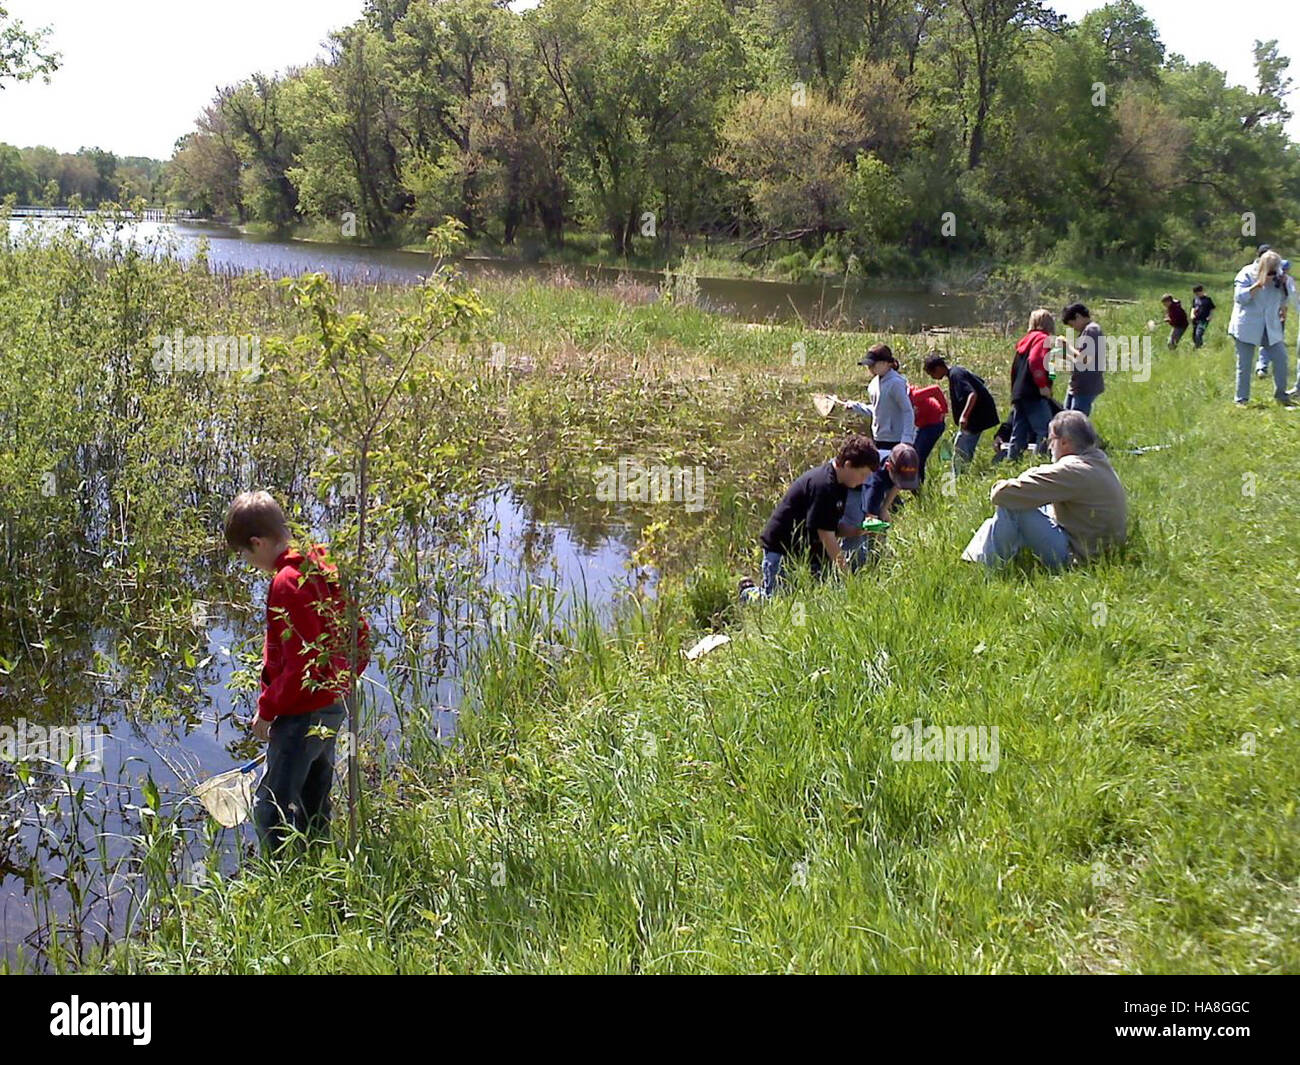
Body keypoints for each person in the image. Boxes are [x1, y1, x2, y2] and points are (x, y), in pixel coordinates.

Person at [224, 490, 370, 852]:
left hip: (300, 713)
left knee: (270, 810)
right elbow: (360, 633)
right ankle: (320, 872)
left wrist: (267, 711)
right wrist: (343, 681)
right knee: (314, 802)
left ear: (257, 543)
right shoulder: (323, 562)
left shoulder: (286, 582)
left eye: (244, 553)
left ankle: (279, 887)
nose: (246, 560)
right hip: (334, 704)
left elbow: (298, 664)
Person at [961, 411, 1127, 570]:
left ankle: (989, 568)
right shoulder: (1097, 460)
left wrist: (1022, 478)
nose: (1049, 447)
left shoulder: (1071, 470)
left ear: (1064, 442)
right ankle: (975, 559)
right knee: (1028, 501)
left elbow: (1001, 494)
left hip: (1079, 557)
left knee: (1012, 505)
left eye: (1050, 440)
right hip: (1098, 548)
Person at [741, 435, 879, 599]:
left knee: (804, 605)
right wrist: (847, 577)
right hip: (783, 550)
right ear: (848, 465)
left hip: (806, 553)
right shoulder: (823, 486)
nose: (864, 480)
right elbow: (827, 536)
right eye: (863, 474)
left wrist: (857, 530)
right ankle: (747, 593)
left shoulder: (841, 484)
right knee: (778, 604)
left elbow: (831, 527)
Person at [1229, 250, 1293, 406]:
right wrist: (1258, 284)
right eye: (1270, 270)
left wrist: (1285, 284)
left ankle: (1281, 396)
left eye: (1275, 269)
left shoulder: (1279, 275)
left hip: (1270, 325)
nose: (1272, 273)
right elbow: (1239, 298)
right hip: (1247, 325)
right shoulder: (1246, 273)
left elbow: (1286, 298)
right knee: (1245, 363)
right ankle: (1241, 400)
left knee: (1281, 359)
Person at [996, 308, 1056, 463]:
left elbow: (1015, 370)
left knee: (1019, 432)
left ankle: (1011, 462)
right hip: (1033, 393)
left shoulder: (1025, 341)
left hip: (1019, 393)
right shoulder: (1043, 339)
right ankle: (1041, 463)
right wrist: (1043, 385)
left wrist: (1015, 393)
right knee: (1046, 429)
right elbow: (1036, 361)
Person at [924, 353, 1000, 469]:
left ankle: (959, 478)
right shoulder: (957, 371)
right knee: (962, 448)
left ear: (938, 368)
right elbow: (979, 382)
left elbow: (972, 394)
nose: (932, 377)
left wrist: (964, 416)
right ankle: (962, 474)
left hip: (975, 419)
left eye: (932, 373)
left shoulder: (956, 375)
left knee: (960, 453)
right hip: (977, 417)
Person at [839, 343, 916, 452]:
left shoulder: (896, 383)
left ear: (886, 363)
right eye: (869, 365)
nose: (870, 368)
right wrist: (856, 407)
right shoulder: (873, 384)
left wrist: (907, 439)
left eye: (873, 365)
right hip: (878, 437)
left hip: (897, 440)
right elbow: (876, 409)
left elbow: (907, 411)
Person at [1059, 303, 1105, 416]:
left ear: (1078, 316)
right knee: (1066, 419)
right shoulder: (1087, 331)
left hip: (1086, 386)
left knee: (1075, 423)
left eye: (1072, 324)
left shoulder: (1092, 330)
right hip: (1077, 385)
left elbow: (1084, 359)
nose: (1073, 328)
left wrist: (1067, 347)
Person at [862, 443, 921, 525]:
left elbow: (897, 485)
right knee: (858, 529)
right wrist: (878, 531)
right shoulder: (876, 484)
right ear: (888, 467)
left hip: (880, 481)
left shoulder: (899, 460)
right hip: (851, 485)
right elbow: (870, 522)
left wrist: (884, 508)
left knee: (895, 510)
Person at [1256, 260, 1296, 377]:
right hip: (1269, 315)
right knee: (1267, 340)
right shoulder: (1270, 280)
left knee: (1275, 341)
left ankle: (1271, 367)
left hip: (1278, 314)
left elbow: (1287, 298)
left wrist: (1284, 311)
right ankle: (1262, 367)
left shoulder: (1287, 281)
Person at [908, 380, 947, 486]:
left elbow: (935, 389)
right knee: (915, 456)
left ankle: (917, 489)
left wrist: (944, 410)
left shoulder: (913, 395)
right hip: (923, 426)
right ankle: (916, 488)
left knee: (918, 458)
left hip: (934, 424)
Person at [1191, 285, 1216, 349]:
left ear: (1202, 291)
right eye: (1196, 293)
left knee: (1198, 334)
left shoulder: (1207, 299)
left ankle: (1199, 347)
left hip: (1204, 320)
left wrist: (1210, 316)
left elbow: (1212, 308)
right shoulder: (1195, 299)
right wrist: (1192, 314)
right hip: (1195, 319)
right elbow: (1193, 307)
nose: (1197, 295)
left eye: (1198, 293)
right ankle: (1197, 345)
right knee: (1194, 335)